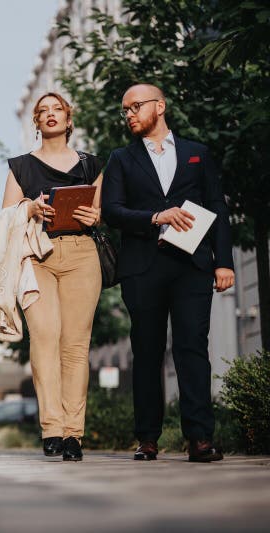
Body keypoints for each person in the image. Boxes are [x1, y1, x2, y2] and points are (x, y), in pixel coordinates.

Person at [102, 83, 235, 462]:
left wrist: (223, 261)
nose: (129, 114)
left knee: (192, 347)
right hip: (142, 267)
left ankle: (200, 439)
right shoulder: (120, 159)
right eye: (124, 109)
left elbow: (217, 208)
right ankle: (147, 438)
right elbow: (112, 211)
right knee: (146, 352)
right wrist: (155, 217)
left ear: (159, 106)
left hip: (192, 266)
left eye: (135, 107)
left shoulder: (198, 154)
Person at [1, 92, 103, 461]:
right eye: (42, 111)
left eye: (56, 109)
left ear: (69, 119)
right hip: (36, 255)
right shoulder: (21, 166)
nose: (49, 114)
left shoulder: (92, 165)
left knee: (75, 345)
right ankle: (52, 429)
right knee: (44, 337)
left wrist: (96, 216)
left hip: (81, 255)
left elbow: (99, 211)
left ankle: (74, 433)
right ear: (36, 122)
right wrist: (30, 207)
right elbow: (6, 214)